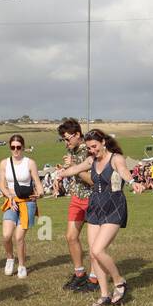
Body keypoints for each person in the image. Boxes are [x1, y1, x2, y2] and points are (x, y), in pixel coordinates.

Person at [53, 129, 144, 306]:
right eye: (89, 148)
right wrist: (60, 174)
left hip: (114, 206)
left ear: (103, 142)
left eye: (94, 146)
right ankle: (104, 296)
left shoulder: (115, 158)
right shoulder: (91, 160)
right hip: (95, 206)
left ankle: (119, 282)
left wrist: (133, 183)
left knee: (97, 250)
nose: (92, 150)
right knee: (94, 256)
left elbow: (124, 171)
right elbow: (76, 169)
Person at [56, 118, 98, 293]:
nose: (66, 142)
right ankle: (80, 274)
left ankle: (95, 279)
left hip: (92, 199)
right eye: (63, 139)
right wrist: (62, 173)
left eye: (67, 138)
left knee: (94, 243)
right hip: (76, 199)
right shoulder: (71, 151)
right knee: (71, 237)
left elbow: (93, 181)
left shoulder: (90, 151)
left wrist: (75, 167)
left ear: (77, 135)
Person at [0, 135, 41, 278]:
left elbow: (38, 183)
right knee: (6, 235)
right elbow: (1, 185)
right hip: (11, 202)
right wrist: (9, 197)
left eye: (18, 147)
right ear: (10, 147)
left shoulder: (30, 163)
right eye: (13, 147)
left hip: (27, 203)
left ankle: (22, 265)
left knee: (19, 237)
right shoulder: (4, 163)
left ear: (23, 147)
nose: (16, 150)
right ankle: (10, 258)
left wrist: (40, 193)